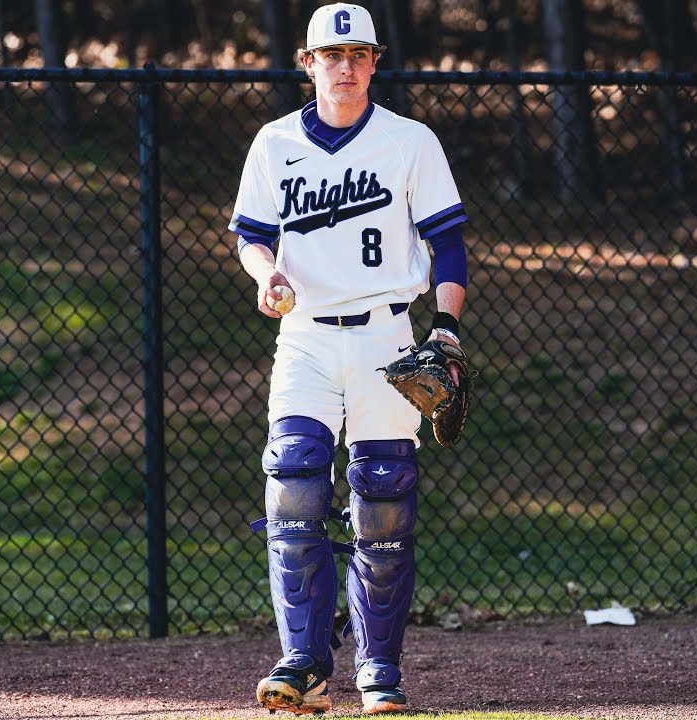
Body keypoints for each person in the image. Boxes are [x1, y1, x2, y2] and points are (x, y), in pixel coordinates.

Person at [228, 2, 470, 715]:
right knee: (293, 486)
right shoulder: (274, 143)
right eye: (330, 55)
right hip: (304, 333)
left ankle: (378, 670)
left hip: (386, 336)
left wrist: (446, 328)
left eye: (358, 53)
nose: (344, 65)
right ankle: (304, 664)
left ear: (374, 61)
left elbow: (447, 245)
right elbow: (250, 234)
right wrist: (264, 272)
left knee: (384, 500)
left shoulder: (409, 141)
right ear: (307, 64)